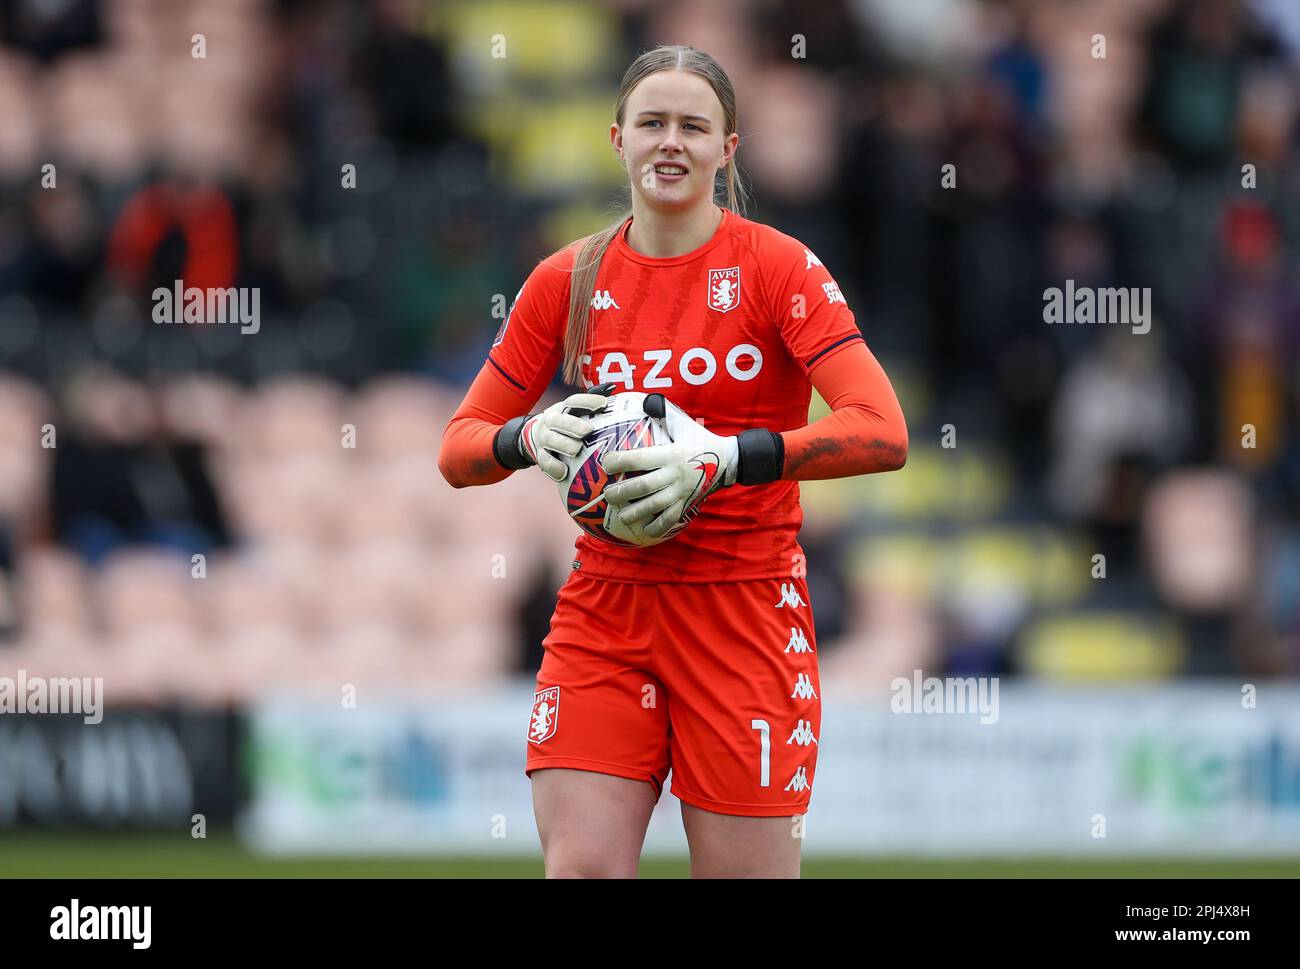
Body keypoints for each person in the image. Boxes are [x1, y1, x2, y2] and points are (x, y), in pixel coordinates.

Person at [438, 45, 908, 878]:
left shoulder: (778, 267)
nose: (671, 142)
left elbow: (882, 430)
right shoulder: (568, 277)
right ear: (616, 138)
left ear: (728, 149)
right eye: (652, 122)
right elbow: (459, 446)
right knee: (582, 869)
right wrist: (525, 439)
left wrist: (723, 459)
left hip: (744, 615)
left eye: (695, 126)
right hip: (605, 613)